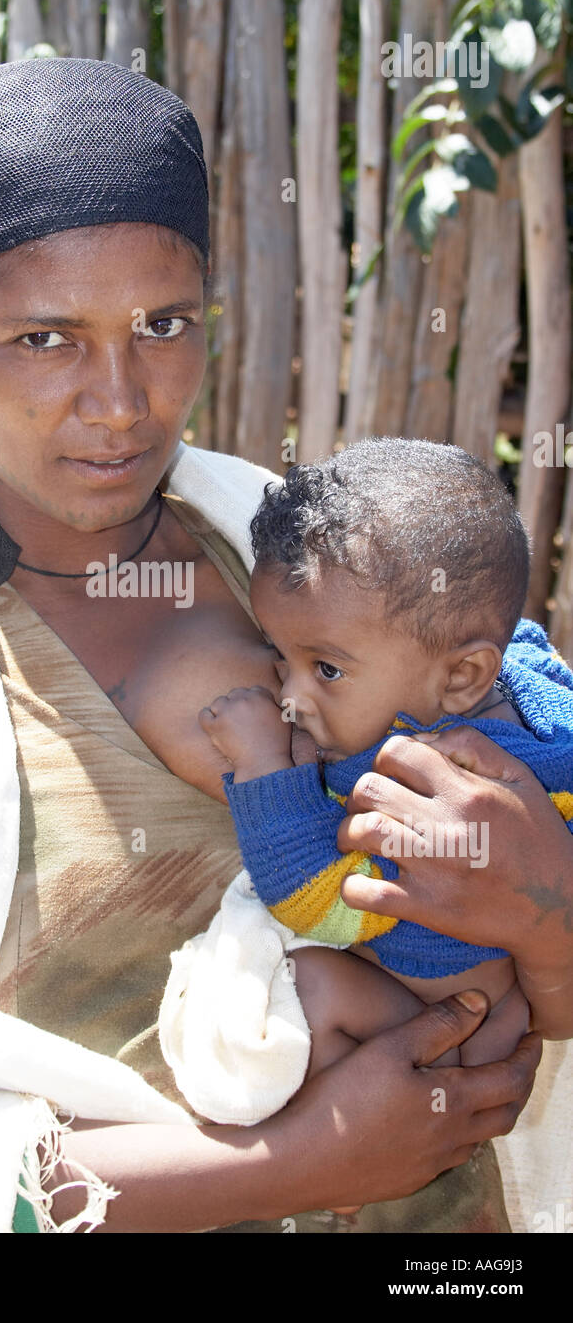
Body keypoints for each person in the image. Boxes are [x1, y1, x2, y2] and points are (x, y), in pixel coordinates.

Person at [0, 56, 565, 1234]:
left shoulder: (343, 572)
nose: (119, 400)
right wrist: (288, 1166)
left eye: (162, 325)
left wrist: (548, 909)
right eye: (46, 337)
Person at [158, 440, 573, 1157]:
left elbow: (318, 899)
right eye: (280, 657)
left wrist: (264, 770)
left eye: (325, 668)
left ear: (465, 676)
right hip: (504, 1017)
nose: (290, 696)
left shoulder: (427, 785)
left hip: (443, 1042)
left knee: (305, 991)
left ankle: (321, 1169)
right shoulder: (536, 715)